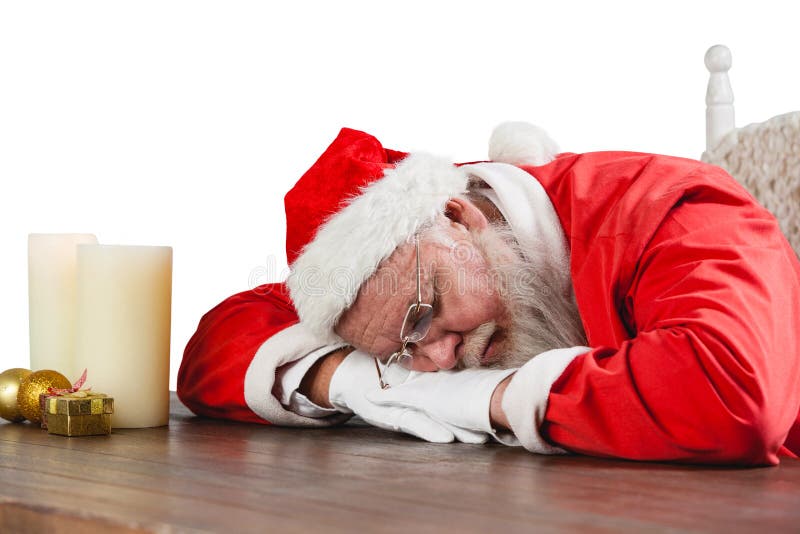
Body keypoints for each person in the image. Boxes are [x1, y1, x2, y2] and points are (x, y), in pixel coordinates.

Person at [178, 124, 800, 465]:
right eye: (402, 350)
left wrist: (493, 399)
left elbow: (731, 394)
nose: (441, 359)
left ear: (461, 216)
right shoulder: (396, 282)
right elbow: (213, 348)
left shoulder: (675, 209)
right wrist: (357, 379)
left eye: (426, 317)